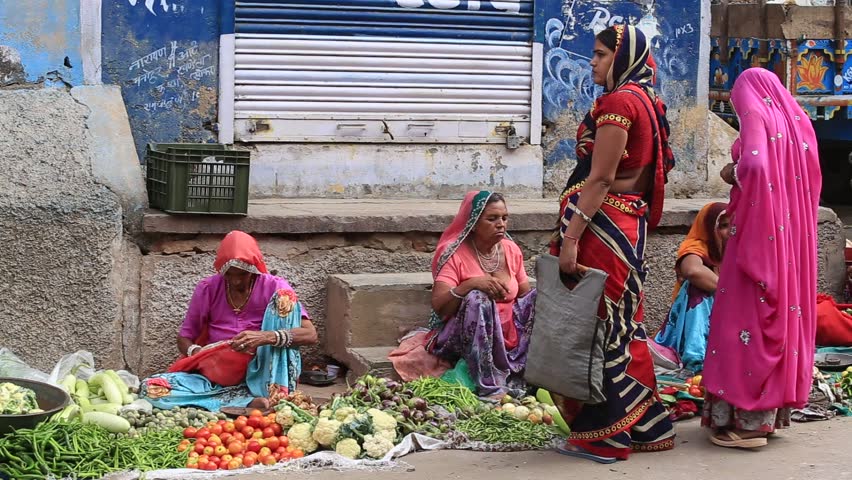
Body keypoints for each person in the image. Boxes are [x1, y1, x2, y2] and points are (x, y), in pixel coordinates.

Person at [548, 25, 676, 462]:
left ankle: (604, 436)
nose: (593, 62)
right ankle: (643, 426)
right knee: (624, 324)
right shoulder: (648, 100)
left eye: (601, 54)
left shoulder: (621, 102)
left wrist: (570, 240)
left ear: (622, 59)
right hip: (629, 224)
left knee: (597, 324)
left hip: (604, 227)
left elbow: (601, 178)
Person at [702, 68, 821, 449]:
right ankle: (768, 417)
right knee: (779, 320)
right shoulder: (800, 126)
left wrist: (731, 171)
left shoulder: (757, 118)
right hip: (791, 245)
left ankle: (748, 424)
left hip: (757, 239)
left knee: (741, 322)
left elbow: (753, 166)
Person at [141, 230, 318, 411]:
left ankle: (269, 393)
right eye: (229, 275)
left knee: (284, 298)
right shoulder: (208, 288)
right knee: (151, 388)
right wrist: (199, 353)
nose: (235, 281)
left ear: (254, 269)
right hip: (216, 376)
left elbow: (310, 335)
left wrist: (265, 337)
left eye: (242, 274)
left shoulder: (274, 286)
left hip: (263, 372)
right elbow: (184, 338)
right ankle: (243, 401)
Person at [389, 191, 536, 397]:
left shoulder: (511, 250)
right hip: (463, 334)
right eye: (492, 219)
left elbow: (525, 295)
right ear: (474, 223)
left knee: (541, 297)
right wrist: (471, 284)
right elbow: (440, 306)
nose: (501, 224)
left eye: (504, 218)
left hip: (508, 334)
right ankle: (487, 382)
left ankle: (533, 369)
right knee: (479, 298)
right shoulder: (455, 254)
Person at [651, 202, 731, 373]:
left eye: (734, 224)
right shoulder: (696, 246)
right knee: (698, 288)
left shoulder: (738, 253)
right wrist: (732, 292)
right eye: (724, 225)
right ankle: (696, 360)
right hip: (690, 328)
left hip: (727, 326)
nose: (731, 231)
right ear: (710, 227)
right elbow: (693, 271)